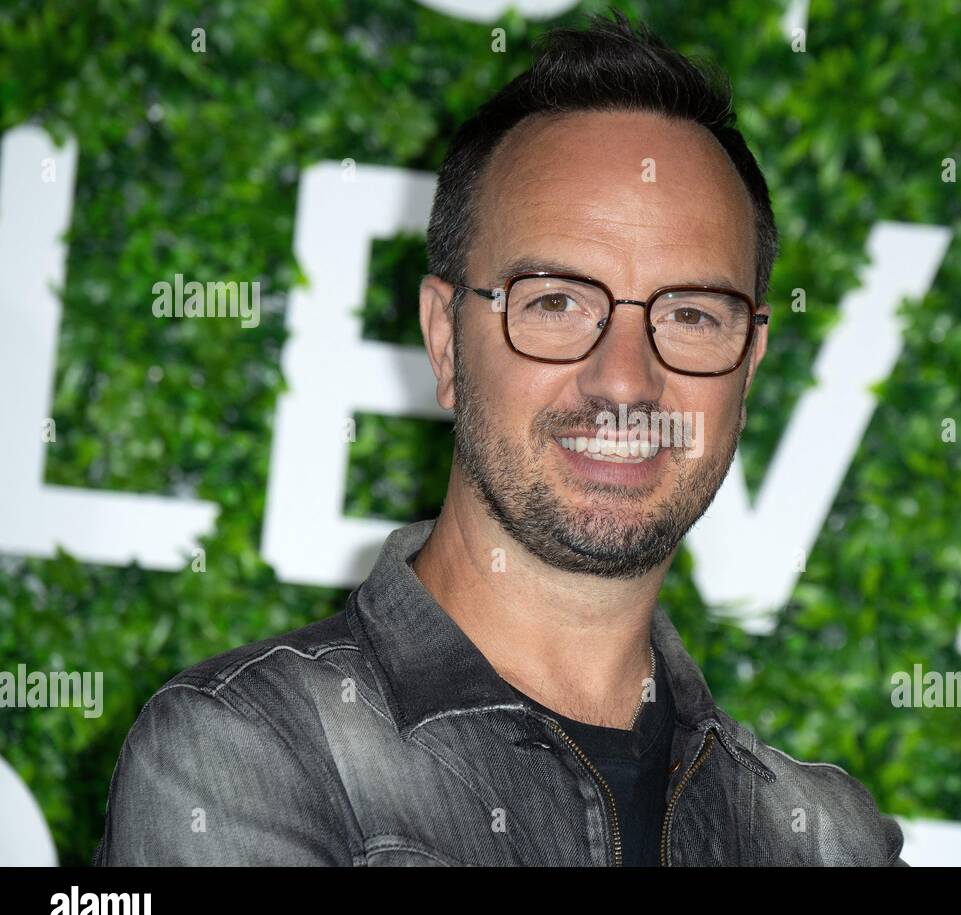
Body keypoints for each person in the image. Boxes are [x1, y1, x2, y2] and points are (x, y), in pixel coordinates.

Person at [94, 9, 905, 867]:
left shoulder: (828, 840)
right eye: (555, 302)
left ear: (749, 364)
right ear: (446, 339)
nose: (625, 381)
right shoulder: (249, 753)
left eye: (692, 314)